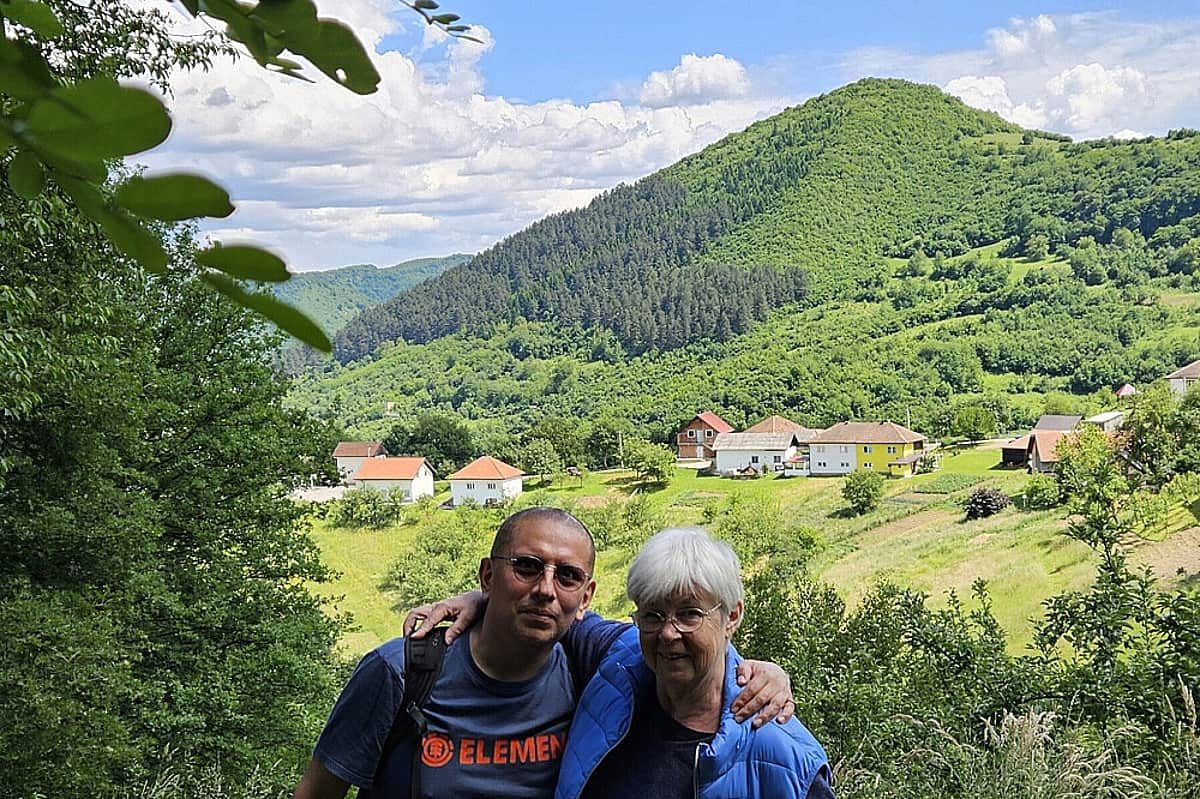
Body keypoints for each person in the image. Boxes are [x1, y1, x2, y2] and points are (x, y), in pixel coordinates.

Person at [294, 508, 794, 799]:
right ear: (489, 574)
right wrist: (487, 602)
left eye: (567, 576)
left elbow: (676, 642)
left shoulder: (591, 663)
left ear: (586, 597)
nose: (546, 590)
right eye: (527, 567)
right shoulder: (403, 671)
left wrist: (758, 674)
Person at [555, 527, 833, 798]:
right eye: (653, 614)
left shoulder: (784, 760)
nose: (667, 632)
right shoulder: (617, 664)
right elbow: (555, 615)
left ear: (732, 617)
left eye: (689, 614)